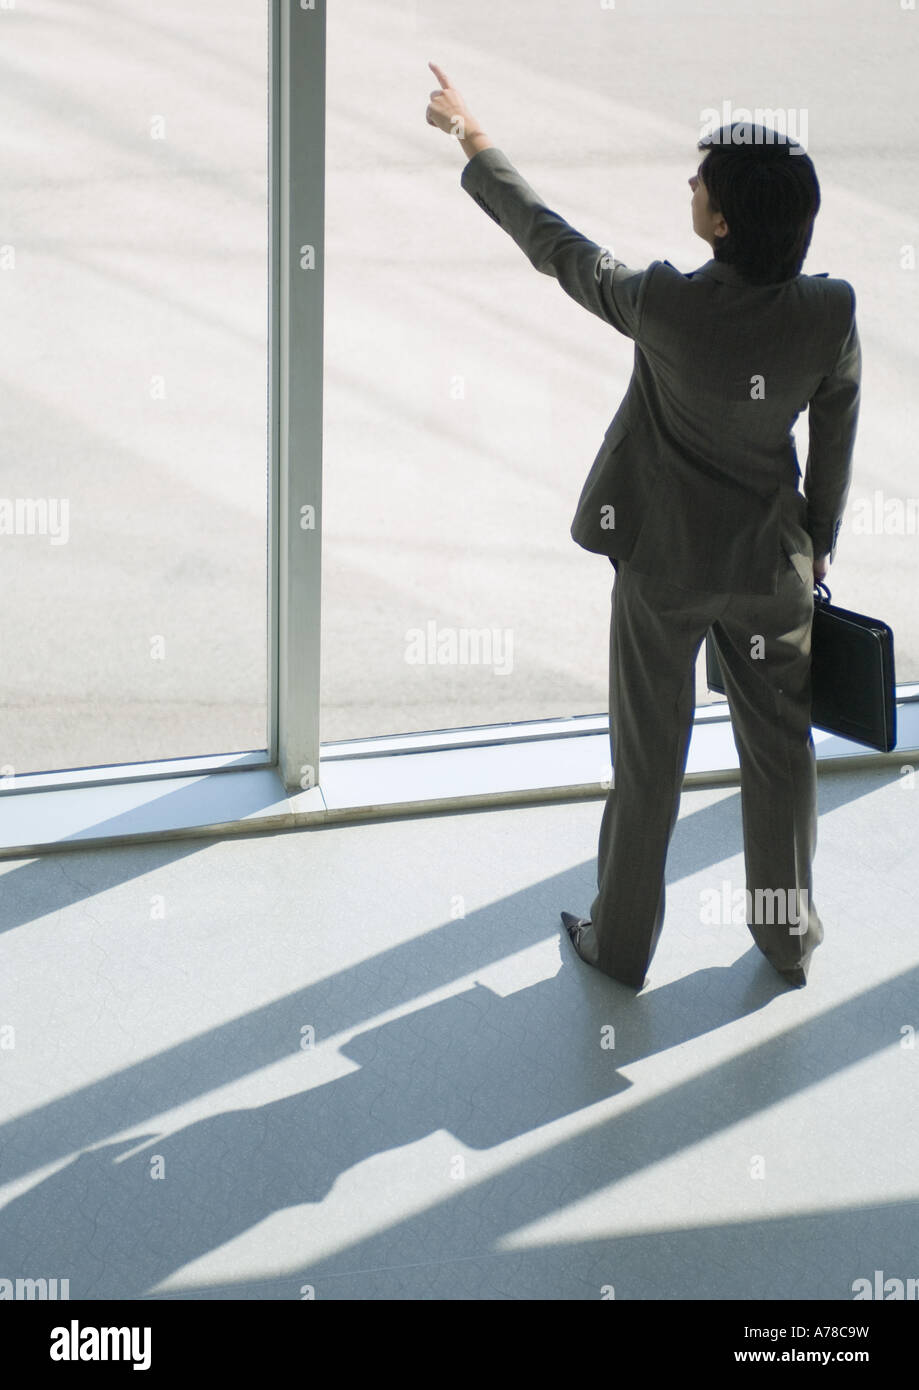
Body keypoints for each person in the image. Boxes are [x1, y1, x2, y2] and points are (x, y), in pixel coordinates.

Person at [425, 64, 860, 991]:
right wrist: (814, 538)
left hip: (661, 565)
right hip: (770, 568)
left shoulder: (662, 302)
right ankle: (786, 942)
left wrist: (473, 140)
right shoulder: (830, 311)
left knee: (648, 757)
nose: (690, 188)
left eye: (700, 182)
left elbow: (556, 247)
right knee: (779, 759)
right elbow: (834, 438)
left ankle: (620, 947)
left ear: (723, 221)